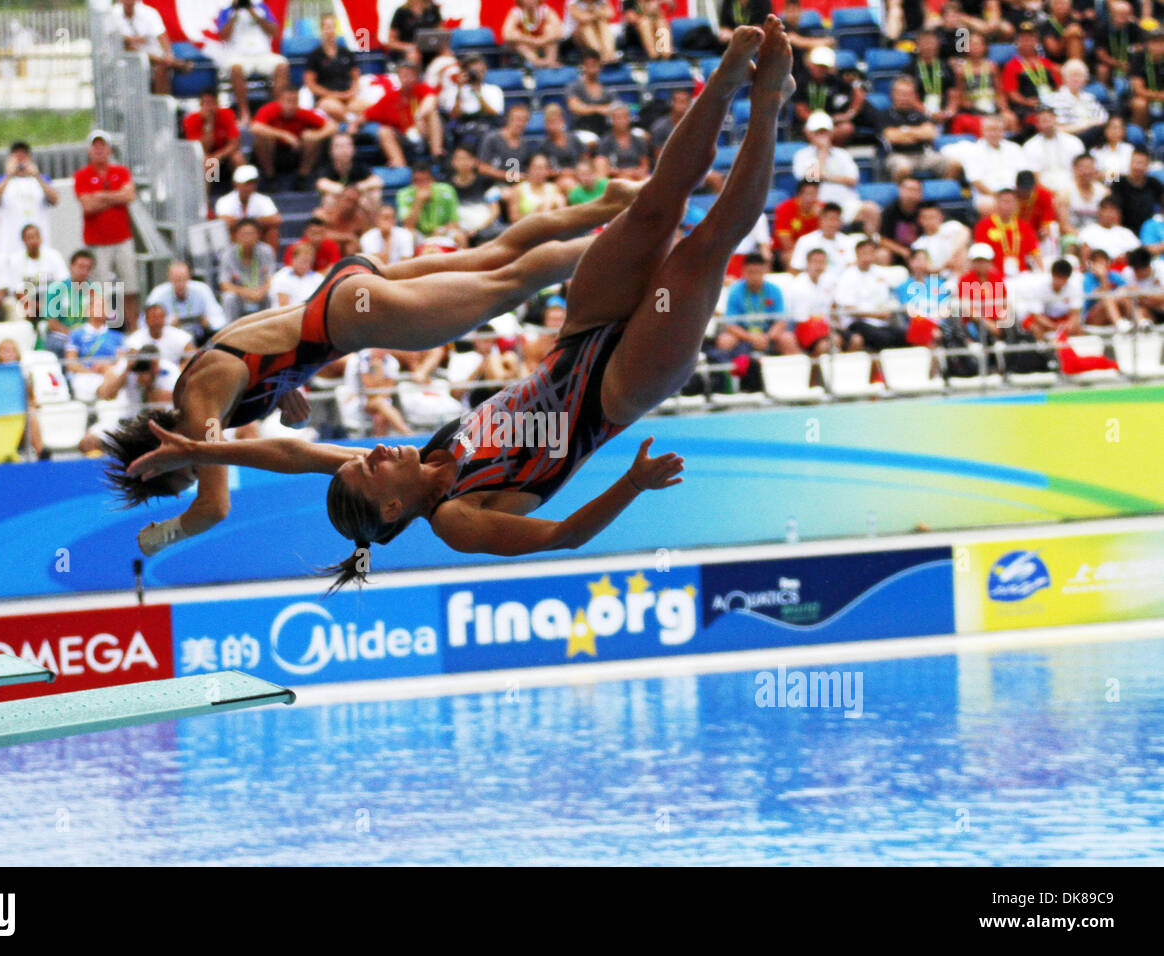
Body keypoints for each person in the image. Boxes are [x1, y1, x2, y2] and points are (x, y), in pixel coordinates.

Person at [124, 22, 793, 582]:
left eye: (363, 458)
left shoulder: (427, 454)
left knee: (652, 211)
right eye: (370, 466)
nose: (373, 451)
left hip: (577, 337)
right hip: (615, 392)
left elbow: (293, 456)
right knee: (700, 251)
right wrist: (633, 483)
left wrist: (204, 450)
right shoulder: (456, 519)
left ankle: (727, 80)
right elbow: (562, 536)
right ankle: (766, 106)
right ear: (390, 509)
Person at [102, 177, 640, 555]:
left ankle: (639, 236)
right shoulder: (202, 386)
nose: (198, 476)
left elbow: (212, 511)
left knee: (509, 283)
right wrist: (286, 388)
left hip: (351, 321)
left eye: (184, 476)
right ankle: (610, 207)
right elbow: (265, 350)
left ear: (163, 456)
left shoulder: (198, 417)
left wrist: (159, 535)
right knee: (497, 256)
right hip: (342, 290)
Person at [74, 130, 139, 329]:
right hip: (98, 242)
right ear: (89, 150)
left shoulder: (121, 171)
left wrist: (101, 196)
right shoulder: (82, 175)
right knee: (101, 289)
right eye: (95, 146)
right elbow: (88, 206)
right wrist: (115, 196)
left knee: (130, 285)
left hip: (122, 238)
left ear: (109, 150)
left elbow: (129, 196)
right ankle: (100, 327)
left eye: (103, 146)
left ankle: (134, 326)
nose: (99, 150)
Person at [211, 0, 289, 126]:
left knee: (282, 65)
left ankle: (275, 110)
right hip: (239, 56)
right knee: (235, 68)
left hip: (263, 55)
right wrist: (235, 14)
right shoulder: (227, 10)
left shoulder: (260, 7)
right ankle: (244, 112)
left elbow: (274, 32)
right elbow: (223, 36)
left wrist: (253, 13)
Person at [250, 88, 336, 188]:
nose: (291, 105)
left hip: (296, 153)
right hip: (274, 153)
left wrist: (316, 135)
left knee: (311, 138)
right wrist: (283, 135)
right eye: (288, 101)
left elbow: (331, 126)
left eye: (294, 101)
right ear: (280, 101)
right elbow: (255, 127)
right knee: (263, 138)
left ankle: (303, 177)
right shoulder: (270, 110)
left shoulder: (302, 113)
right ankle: (270, 177)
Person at [0, 141, 59, 258]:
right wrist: (9, 175)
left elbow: (55, 200)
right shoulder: (0, 181)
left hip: (39, 244)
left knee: (43, 275)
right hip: (10, 246)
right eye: (16, 155)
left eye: (24, 155)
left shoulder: (41, 180)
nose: (20, 159)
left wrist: (37, 176)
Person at [107, 0, 180, 95]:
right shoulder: (112, 14)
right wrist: (132, 39)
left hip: (151, 57)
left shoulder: (149, 12)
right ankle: (176, 64)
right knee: (129, 49)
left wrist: (168, 54)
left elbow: (161, 35)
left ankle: (160, 102)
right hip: (126, 58)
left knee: (162, 67)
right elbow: (115, 38)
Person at [146, 261, 227, 346]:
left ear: (189, 277)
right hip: (170, 340)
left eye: (183, 279)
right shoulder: (158, 293)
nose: (180, 284)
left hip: (200, 338)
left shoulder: (202, 289)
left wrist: (208, 323)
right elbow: (145, 322)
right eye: (176, 280)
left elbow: (219, 317)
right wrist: (166, 324)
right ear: (169, 279)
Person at [183, 90, 245, 193]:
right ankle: (207, 197)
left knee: (238, 158)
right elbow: (203, 148)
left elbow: (234, 144)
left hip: (224, 155)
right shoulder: (191, 120)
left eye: (212, 103)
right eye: (206, 103)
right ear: (201, 105)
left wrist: (219, 155)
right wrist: (209, 124)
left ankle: (240, 193)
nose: (210, 107)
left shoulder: (227, 114)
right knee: (208, 162)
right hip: (204, 156)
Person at [304, 13, 361, 126]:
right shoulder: (314, 55)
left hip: (347, 96)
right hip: (327, 98)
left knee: (366, 106)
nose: (330, 30)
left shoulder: (346, 52)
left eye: (332, 26)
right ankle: (351, 124)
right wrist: (332, 94)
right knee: (335, 108)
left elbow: (356, 77)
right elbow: (311, 84)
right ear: (322, 29)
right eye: (327, 27)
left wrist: (351, 92)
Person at [219, 218, 276, 322]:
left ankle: (269, 327)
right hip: (240, 295)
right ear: (236, 236)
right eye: (243, 234)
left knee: (272, 294)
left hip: (260, 294)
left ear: (258, 235)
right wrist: (245, 292)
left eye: (251, 234)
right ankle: (231, 331)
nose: (247, 238)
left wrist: (261, 292)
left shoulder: (267, 251)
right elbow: (225, 284)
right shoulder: (227, 254)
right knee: (229, 297)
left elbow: (270, 279)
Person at [215, 164, 282, 251]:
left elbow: (276, 220)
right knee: (229, 231)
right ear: (236, 184)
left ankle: (269, 262)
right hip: (235, 236)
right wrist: (251, 223)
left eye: (252, 183)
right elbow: (224, 222)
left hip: (257, 236)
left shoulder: (264, 199)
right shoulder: (224, 200)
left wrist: (246, 223)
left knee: (272, 232)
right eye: (245, 184)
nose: (249, 187)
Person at [126, 301, 196, 367]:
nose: (157, 321)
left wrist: (178, 372)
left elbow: (192, 356)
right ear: (146, 319)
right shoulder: (135, 338)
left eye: (160, 317)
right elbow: (131, 360)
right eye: (153, 318)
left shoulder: (180, 336)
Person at [502, 0, 565, 68]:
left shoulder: (546, 11)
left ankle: (550, 61)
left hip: (544, 43)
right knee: (516, 37)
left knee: (550, 30)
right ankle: (537, 62)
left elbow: (560, 31)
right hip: (525, 45)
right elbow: (506, 34)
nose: (530, 1)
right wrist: (530, 40)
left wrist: (542, 40)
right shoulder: (516, 13)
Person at [1129, 27, 1164, 130]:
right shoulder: (1138, 57)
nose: (1159, 46)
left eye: (1162, 43)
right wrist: (1158, 96)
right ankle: (1142, 134)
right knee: (1139, 104)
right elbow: (1138, 90)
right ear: (1148, 44)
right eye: (1155, 42)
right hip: (1146, 97)